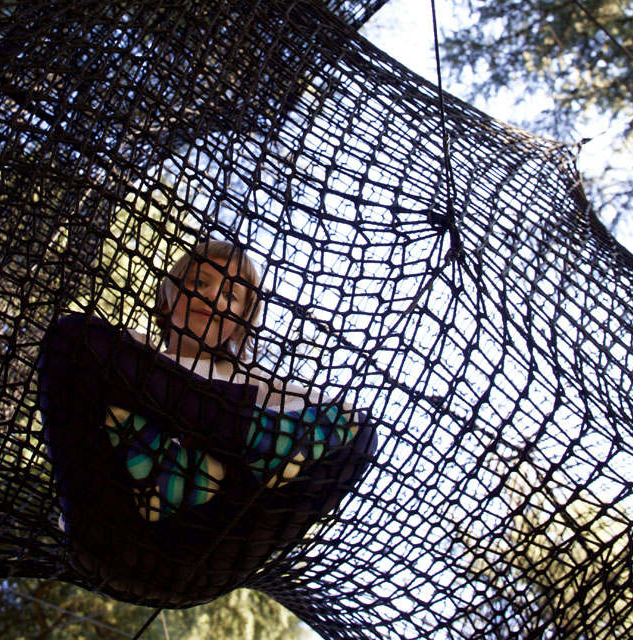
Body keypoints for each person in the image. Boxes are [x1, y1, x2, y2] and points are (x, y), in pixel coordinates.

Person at [37, 239, 378, 605]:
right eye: (199, 283)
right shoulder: (131, 351)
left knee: (361, 435)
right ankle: (198, 456)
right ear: (168, 296)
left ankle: (219, 454)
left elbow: (340, 417)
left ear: (241, 324)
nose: (213, 297)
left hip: (207, 548)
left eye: (231, 296)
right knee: (70, 336)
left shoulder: (252, 381)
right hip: (110, 528)